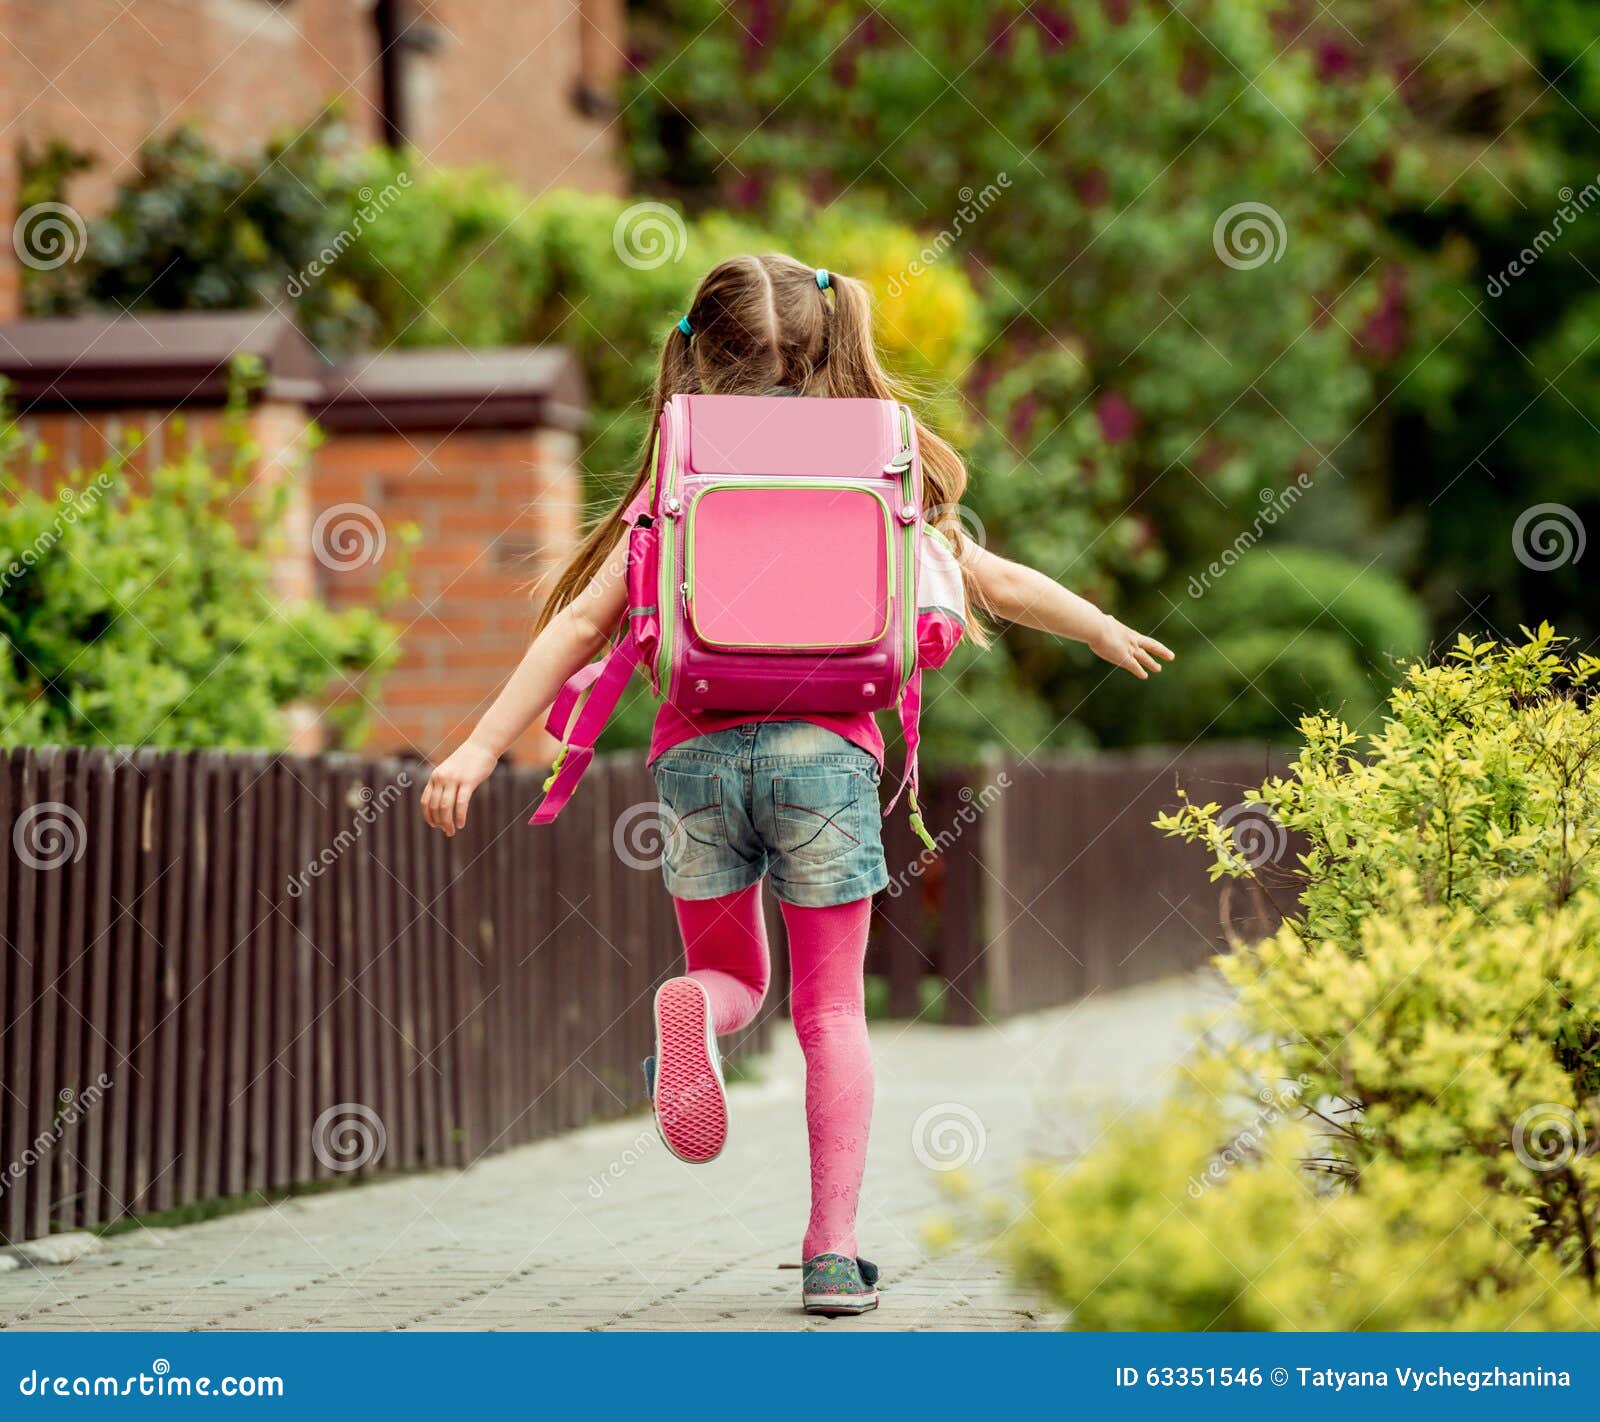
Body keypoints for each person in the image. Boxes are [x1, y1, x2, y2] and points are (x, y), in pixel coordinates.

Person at [420, 253, 1173, 1315]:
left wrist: (476, 745)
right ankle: (830, 1252)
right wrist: (1094, 624)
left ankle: (690, 1009)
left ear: (699, 349)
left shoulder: (678, 467)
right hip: (827, 759)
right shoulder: (881, 455)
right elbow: (984, 577)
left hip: (695, 758)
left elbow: (585, 625)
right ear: (827, 347)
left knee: (735, 978)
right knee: (831, 1013)